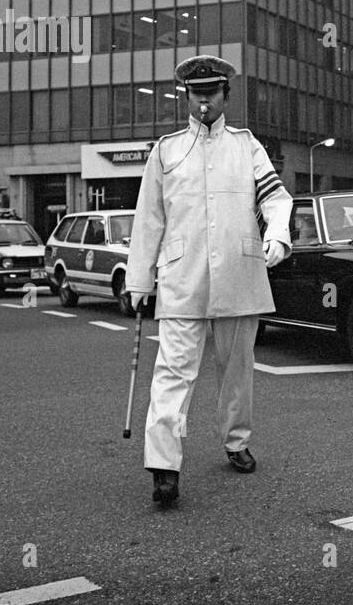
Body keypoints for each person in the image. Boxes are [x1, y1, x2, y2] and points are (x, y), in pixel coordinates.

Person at [124, 55, 293, 508]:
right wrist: (139, 278)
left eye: (212, 94)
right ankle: (164, 466)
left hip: (240, 275)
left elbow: (276, 197)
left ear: (225, 96)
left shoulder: (246, 146)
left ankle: (236, 442)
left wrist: (278, 234)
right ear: (186, 96)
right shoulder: (166, 150)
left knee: (236, 373)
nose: (204, 101)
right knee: (172, 376)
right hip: (182, 280)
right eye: (196, 94)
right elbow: (148, 219)